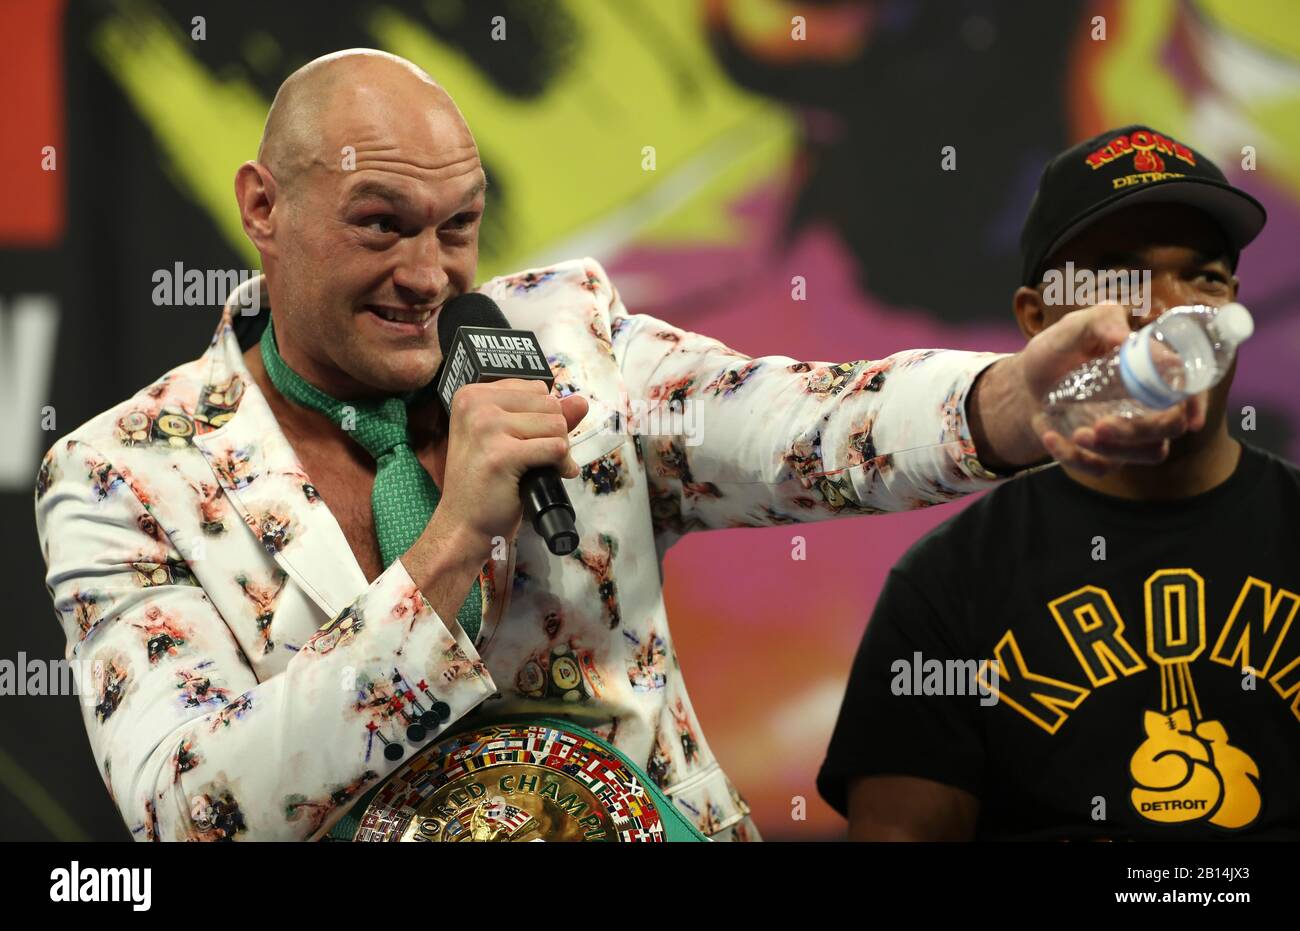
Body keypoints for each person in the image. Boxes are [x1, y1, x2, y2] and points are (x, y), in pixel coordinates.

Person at [34, 50, 1202, 842]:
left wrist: (1008, 404)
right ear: (261, 207)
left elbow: (804, 421)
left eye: (457, 229)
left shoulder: (564, 337)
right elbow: (192, 812)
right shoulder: (128, 474)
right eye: (379, 225)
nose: (428, 276)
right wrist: (446, 550)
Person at [817, 124, 1299, 840]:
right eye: (1118, 277)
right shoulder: (951, 583)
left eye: (1202, 276)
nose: (1167, 311)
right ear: (1039, 322)